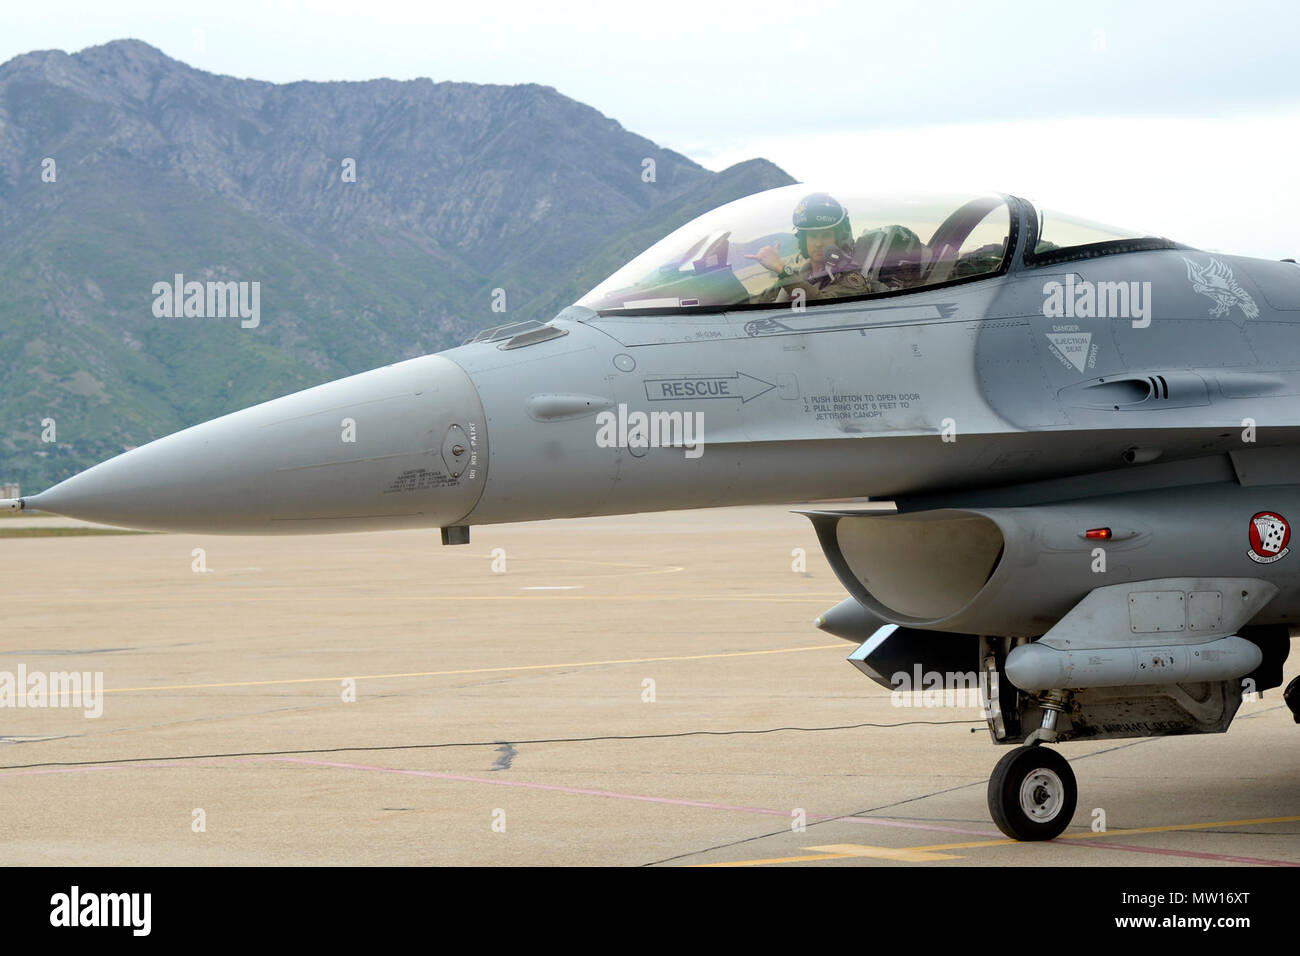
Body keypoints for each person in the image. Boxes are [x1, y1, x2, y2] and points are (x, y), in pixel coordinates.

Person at [747, 192, 885, 304]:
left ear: (838, 239)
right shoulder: (802, 275)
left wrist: (783, 272)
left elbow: (821, 304)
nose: (818, 243)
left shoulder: (851, 279)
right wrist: (725, 272)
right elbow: (754, 302)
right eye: (812, 236)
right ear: (803, 241)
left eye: (825, 235)